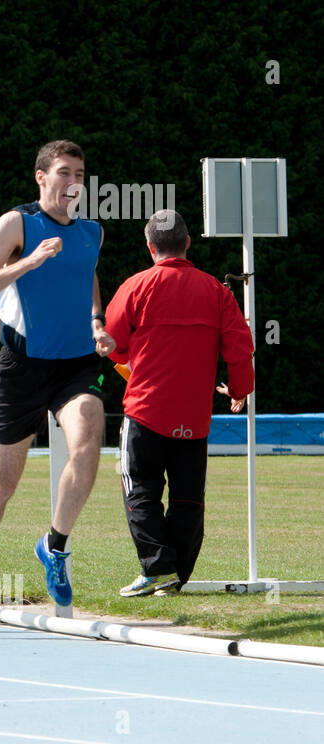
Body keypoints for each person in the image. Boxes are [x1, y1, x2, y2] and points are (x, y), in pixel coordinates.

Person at [0, 139, 116, 629]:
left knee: (89, 441)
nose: (74, 182)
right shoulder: (17, 224)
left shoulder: (93, 231)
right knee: (2, 484)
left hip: (76, 365)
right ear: (41, 177)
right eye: (65, 172)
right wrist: (28, 261)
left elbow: (86, 275)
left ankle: (56, 544)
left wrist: (95, 319)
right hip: (21, 366)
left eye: (81, 174)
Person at [105, 209, 255, 595]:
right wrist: (238, 390)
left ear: (150, 246)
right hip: (194, 416)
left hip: (145, 409)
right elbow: (240, 349)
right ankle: (176, 575)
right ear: (188, 243)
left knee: (140, 489)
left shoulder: (135, 287)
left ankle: (158, 569)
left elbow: (113, 344)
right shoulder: (217, 292)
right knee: (188, 498)